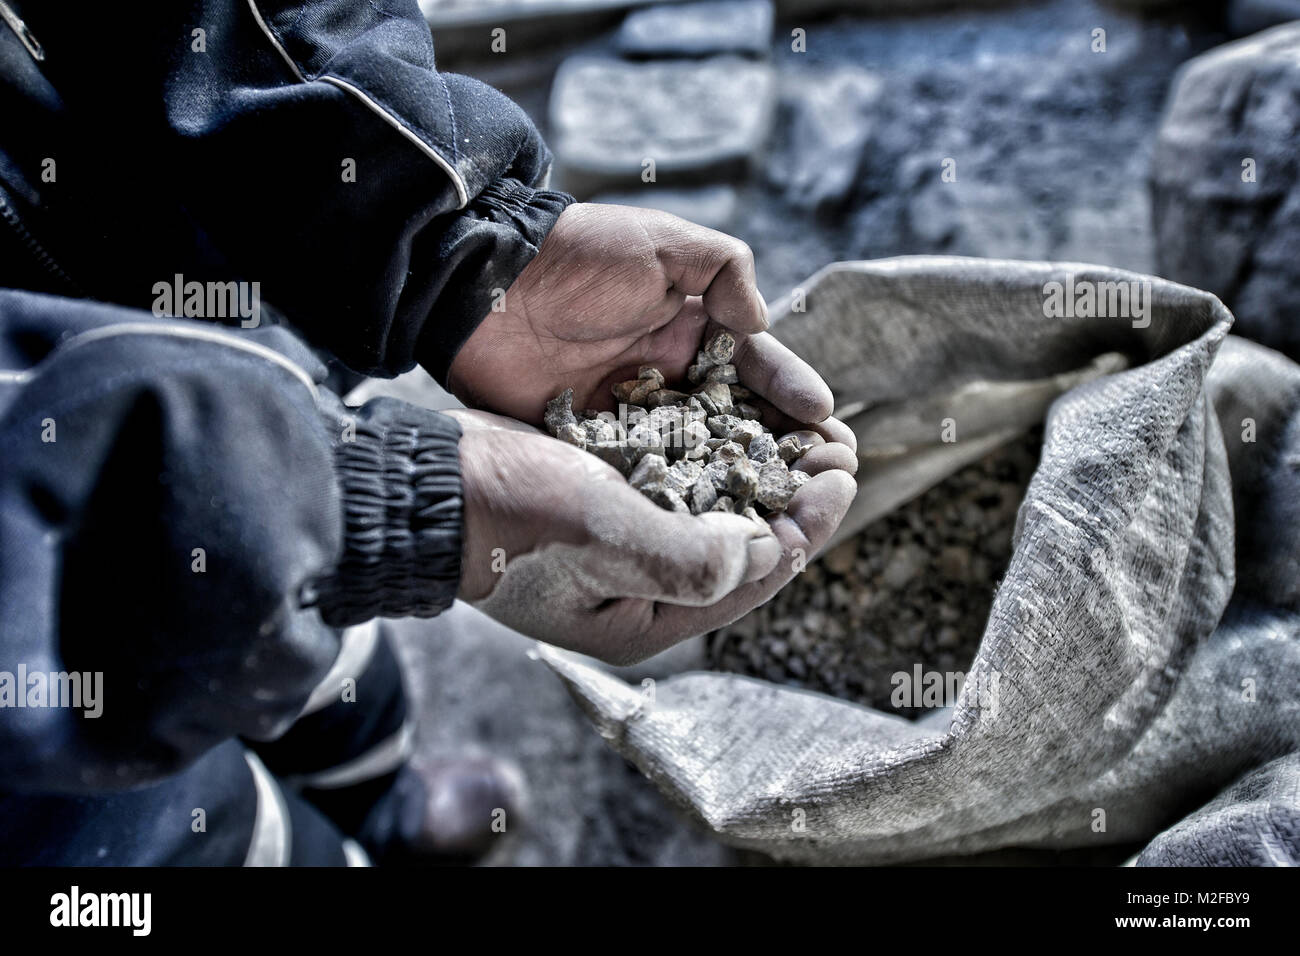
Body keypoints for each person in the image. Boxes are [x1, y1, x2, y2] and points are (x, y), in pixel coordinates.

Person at [0, 0, 857, 865]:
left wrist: (454, 246)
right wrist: (371, 495)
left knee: (330, 657)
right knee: (164, 834)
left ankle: (380, 795)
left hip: (193, 323)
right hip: (28, 726)